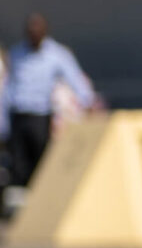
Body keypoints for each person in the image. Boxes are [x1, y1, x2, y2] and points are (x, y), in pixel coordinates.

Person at [0, 13, 100, 191]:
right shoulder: (16, 54)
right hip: (18, 115)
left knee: (41, 160)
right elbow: (8, 89)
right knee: (17, 162)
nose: (34, 34)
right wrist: (3, 123)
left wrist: (88, 100)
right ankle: (18, 205)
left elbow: (74, 77)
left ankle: (41, 195)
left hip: (40, 115)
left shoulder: (56, 55)